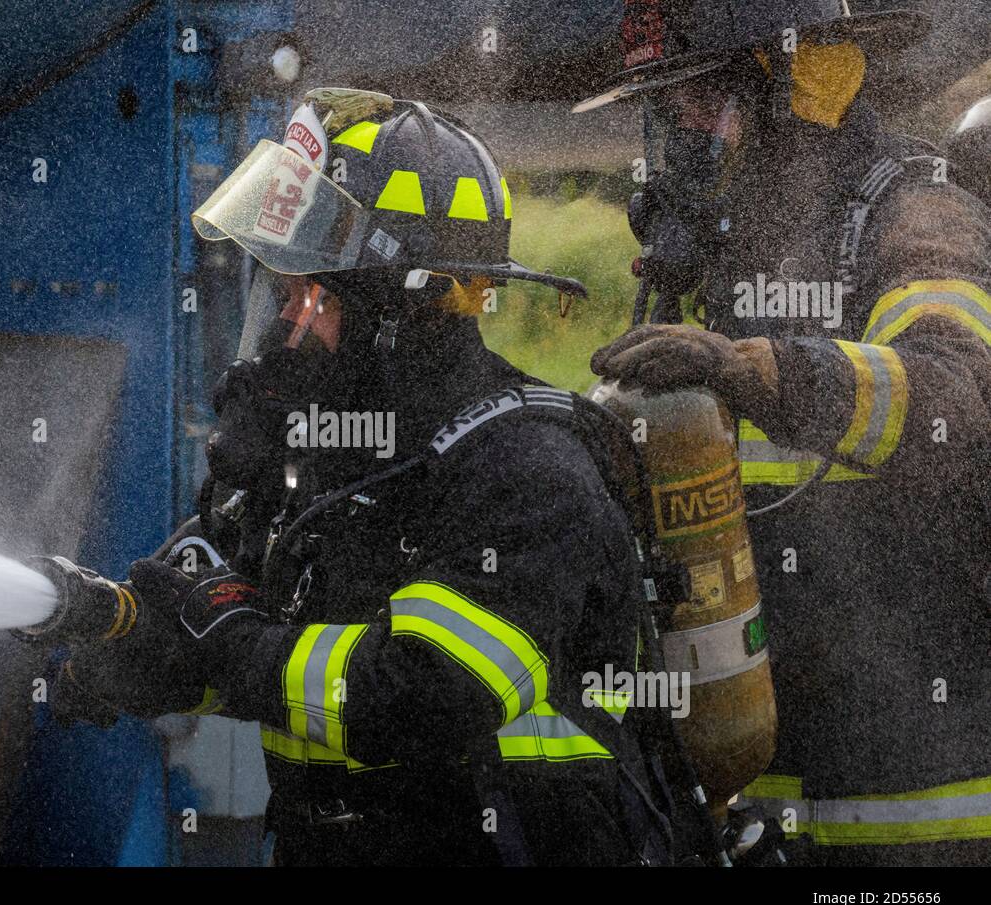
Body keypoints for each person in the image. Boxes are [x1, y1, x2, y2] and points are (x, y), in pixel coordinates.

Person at [50, 88, 676, 865]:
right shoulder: (320, 466)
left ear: (398, 313)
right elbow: (241, 634)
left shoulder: (526, 471)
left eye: (308, 296)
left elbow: (418, 695)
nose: (285, 331)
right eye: (276, 296)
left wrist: (227, 644)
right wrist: (132, 643)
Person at [579, 1, 991, 863]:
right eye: (666, 109)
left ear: (795, 85)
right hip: (747, 802)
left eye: (703, 98)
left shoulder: (912, 216)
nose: (681, 132)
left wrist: (760, 371)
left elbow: (956, 401)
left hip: (916, 810)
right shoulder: (709, 261)